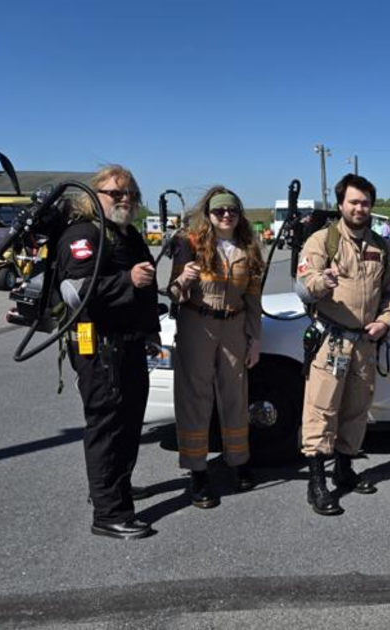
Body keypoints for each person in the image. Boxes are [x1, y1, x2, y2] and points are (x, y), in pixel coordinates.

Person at [56, 164, 160, 539]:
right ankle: (108, 512)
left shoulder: (127, 234)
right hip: (98, 347)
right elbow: (78, 291)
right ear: (94, 197)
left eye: (130, 192)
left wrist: (151, 331)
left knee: (130, 421)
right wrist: (126, 280)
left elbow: (147, 286)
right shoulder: (83, 234)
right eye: (115, 193)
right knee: (107, 426)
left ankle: (117, 487)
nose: (125, 199)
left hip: (130, 344)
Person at [294, 174, 390, 516]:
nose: (359, 208)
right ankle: (317, 483)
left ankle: (345, 469)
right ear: (341, 204)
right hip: (331, 340)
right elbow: (302, 284)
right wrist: (321, 282)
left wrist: (385, 320)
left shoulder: (381, 247)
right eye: (353, 202)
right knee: (321, 410)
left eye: (365, 202)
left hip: (364, 344)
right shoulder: (321, 242)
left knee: (357, 410)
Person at [167, 186, 263, 508]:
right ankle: (198, 473)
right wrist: (184, 280)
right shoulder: (191, 243)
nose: (226, 216)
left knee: (236, 395)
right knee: (196, 398)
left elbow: (253, 300)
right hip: (198, 325)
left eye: (232, 211)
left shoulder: (248, 248)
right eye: (219, 211)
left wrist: (255, 339)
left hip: (234, 327)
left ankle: (239, 462)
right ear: (208, 215)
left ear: (239, 215)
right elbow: (174, 293)